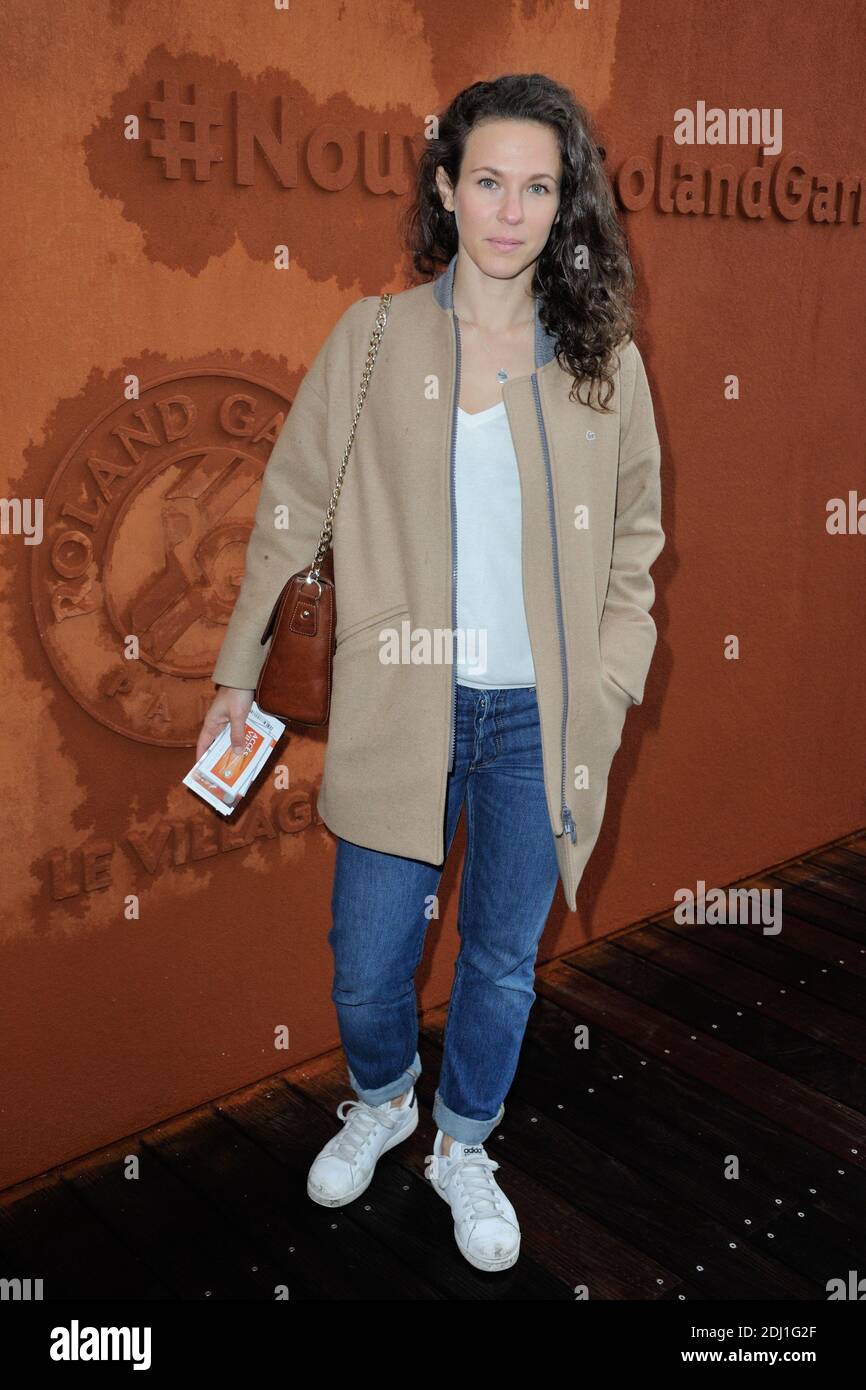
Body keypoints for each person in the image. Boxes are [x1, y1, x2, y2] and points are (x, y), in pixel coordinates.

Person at [197, 73, 664, 1274]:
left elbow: (633, 547)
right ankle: (384, 1097)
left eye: (539, 188)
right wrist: (235, 675)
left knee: (502, 962)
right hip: (403, 700)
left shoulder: (599, 359)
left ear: (565, 207)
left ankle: (463, 1143)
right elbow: (293, 514)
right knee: (368, 967)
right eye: (489, 181)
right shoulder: (372, 338)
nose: (511, 211)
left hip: (536, 718)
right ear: (447, 189)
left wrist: (606, 684)